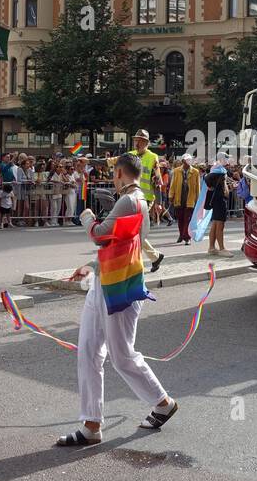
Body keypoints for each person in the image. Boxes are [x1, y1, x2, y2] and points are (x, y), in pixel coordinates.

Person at [55, 154, 179, 447]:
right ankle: (91, 425)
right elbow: (119, 245)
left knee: (121, 356)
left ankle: (163, 402)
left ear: (121, 173)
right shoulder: (138, 201)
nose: (112, 178)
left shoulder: (130, 200)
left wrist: (86, 217)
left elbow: (99, 235)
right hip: (106, 282)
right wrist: (92, 268)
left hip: (120, 287)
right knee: (88, 351)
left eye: (113, 174)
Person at [130, 129, 165, 272]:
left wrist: (159, 203)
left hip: (146, 199)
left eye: (140, 140)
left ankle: (135, 266)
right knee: (134, 233)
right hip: (131, 197)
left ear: (146, 143)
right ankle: (155, 257)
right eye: (135, 140)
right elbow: (112, 162)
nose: (137, 143)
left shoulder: (153, 157)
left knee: (136, 232)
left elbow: (157, 181)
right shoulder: (130, 155)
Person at [168, 155, 200, 244]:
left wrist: (198, 199)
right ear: (183, 161)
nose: (189, 162)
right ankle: (181, 234)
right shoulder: (176, 171)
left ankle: (186, 237)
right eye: (187, 160)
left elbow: (198, 186)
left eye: (190, 160)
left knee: (188, 218)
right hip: (179, 198)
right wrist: (171, 196)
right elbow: (173, 184)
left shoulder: (195, 172)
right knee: (180, 219)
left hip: (190, 199)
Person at [205, 161, 234, 257]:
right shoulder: (221, 179)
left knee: (214, 225)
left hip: (215, 202)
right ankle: (222, 248)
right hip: (221, 202)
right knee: (220, 225)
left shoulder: (213, 183)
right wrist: (228, 186)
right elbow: (226, 193)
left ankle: (211, 247)